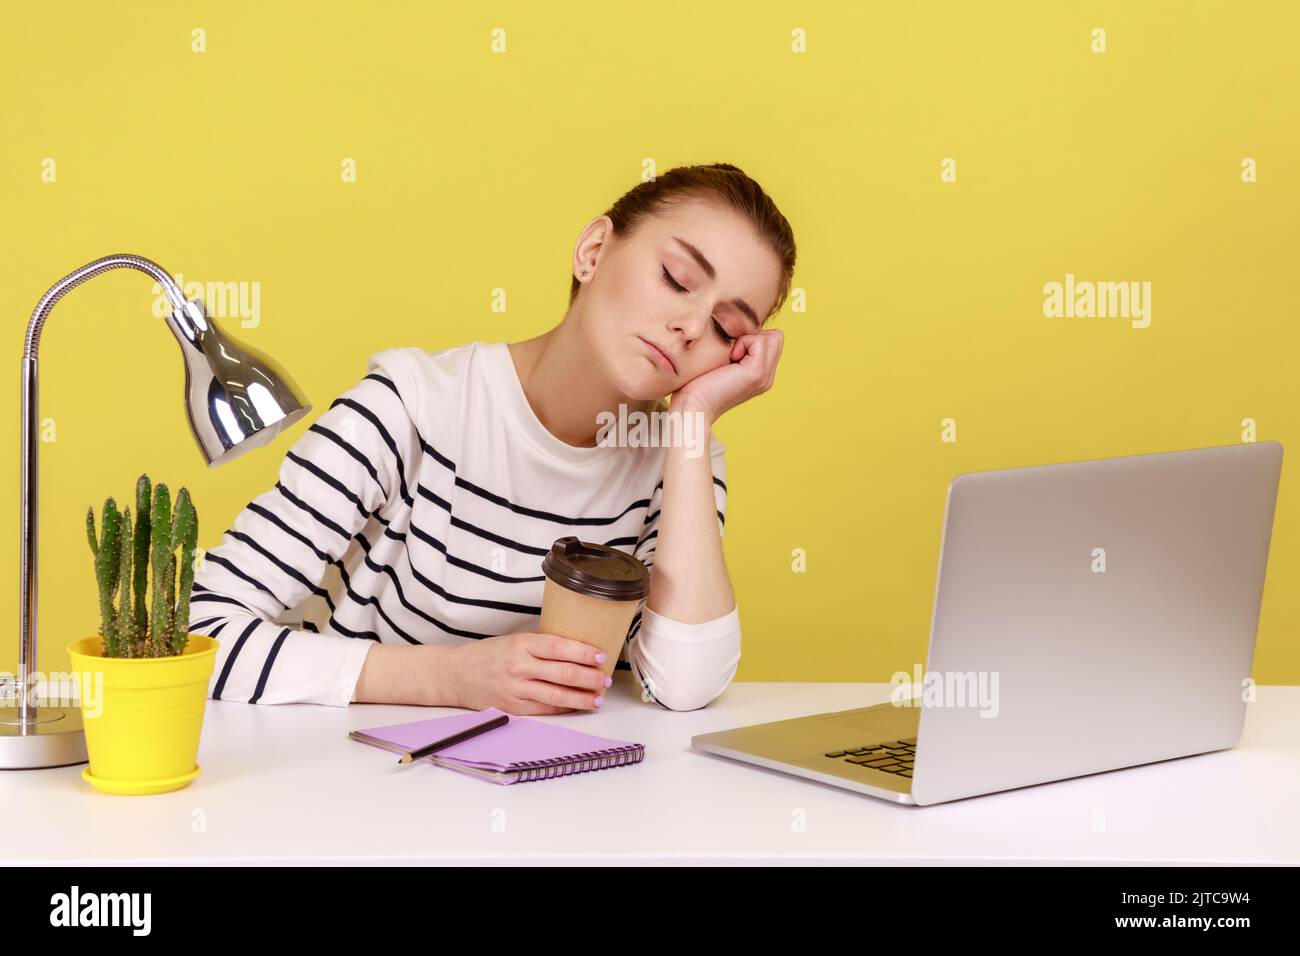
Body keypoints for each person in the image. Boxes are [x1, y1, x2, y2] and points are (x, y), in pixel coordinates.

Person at [189, 161, 796, 714]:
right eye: (676, 278)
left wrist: (691, 419)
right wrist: (445, 679)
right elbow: (194, 631)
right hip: (362, 798)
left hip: (563, 806)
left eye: (725, 327)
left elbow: (685, 686)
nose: (690, 327)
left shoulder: (681, 459)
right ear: (593, 250)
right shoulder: (408, 410)